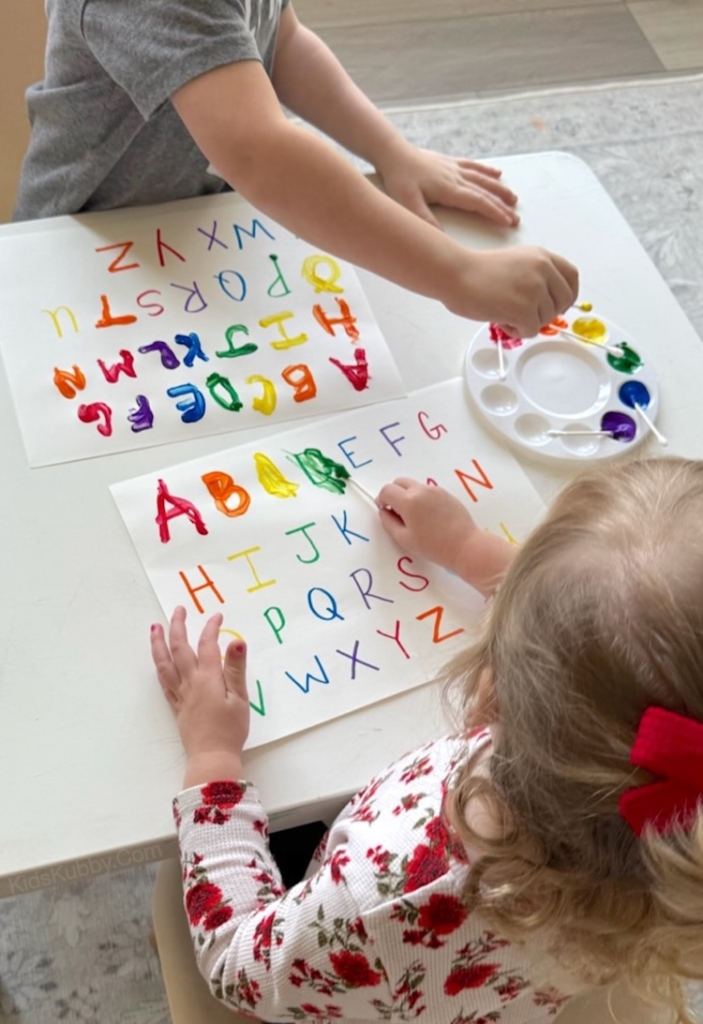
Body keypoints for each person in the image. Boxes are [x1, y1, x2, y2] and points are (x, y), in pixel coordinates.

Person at [151, 460, 703, 1024]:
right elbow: (620, 646)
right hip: (560, 967)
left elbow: (238, 967)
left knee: (178, 875)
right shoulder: (674, 850)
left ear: (499, 690)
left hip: (357, 963)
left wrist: (211, 755)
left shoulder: (391, 895)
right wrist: (467, 549)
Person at [14, 0, 578, 338]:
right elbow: (263, 154)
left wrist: (390, 151)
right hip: (88, 241)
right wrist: (460, 274)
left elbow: (281, 40)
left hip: (199, 220)